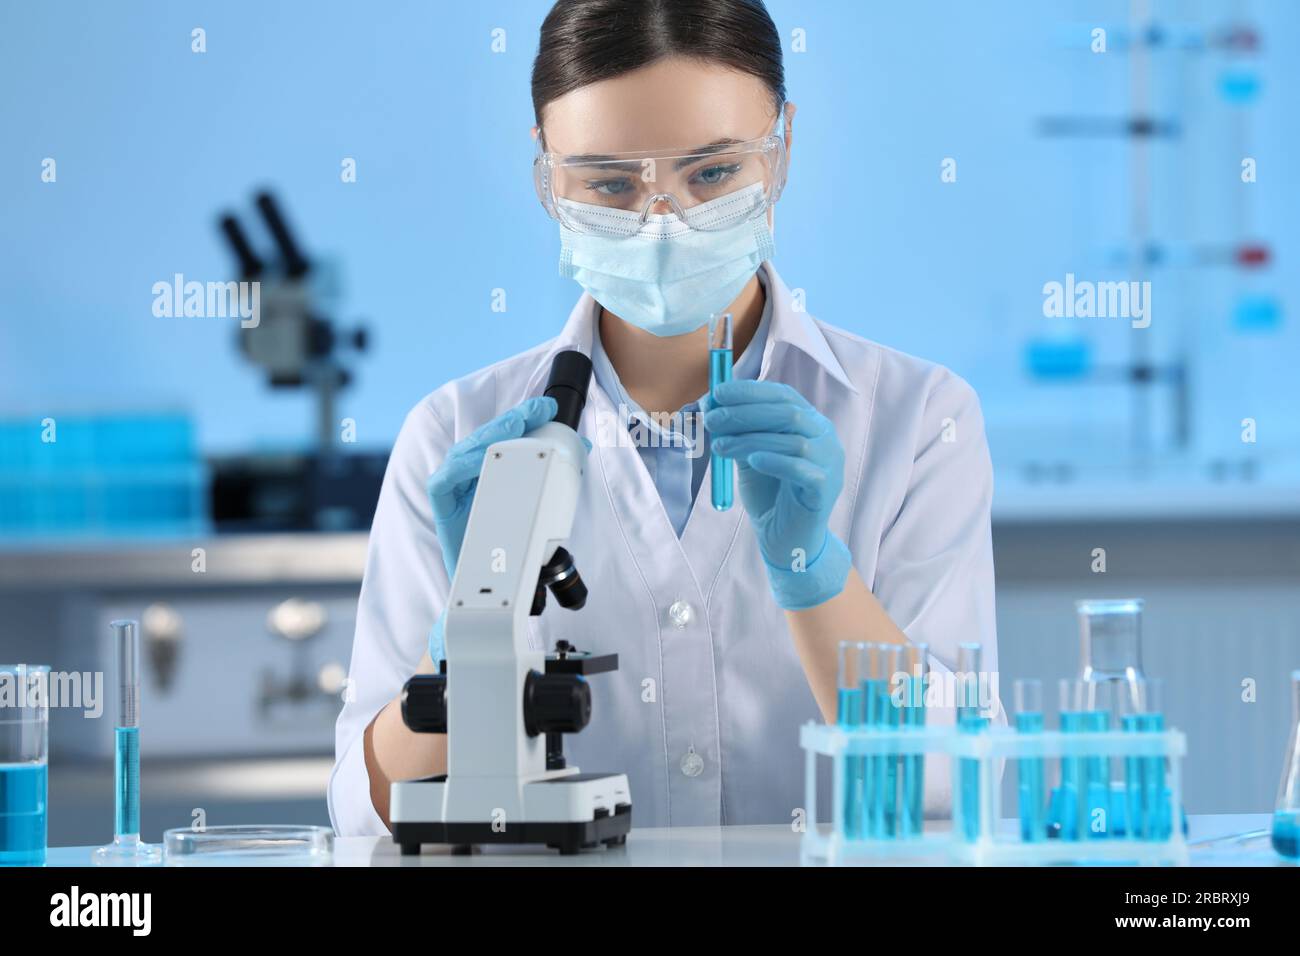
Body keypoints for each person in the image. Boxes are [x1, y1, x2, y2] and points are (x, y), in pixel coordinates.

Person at [330, 0, 999, 835]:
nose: (661, 224)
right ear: (545, 172)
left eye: (713, 174)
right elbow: (368, 814)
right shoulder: (457, 432)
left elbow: (950, 788)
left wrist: (815, 573)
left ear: (782, 148)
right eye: (609, 183)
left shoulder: (919, 420)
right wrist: (471, 639)